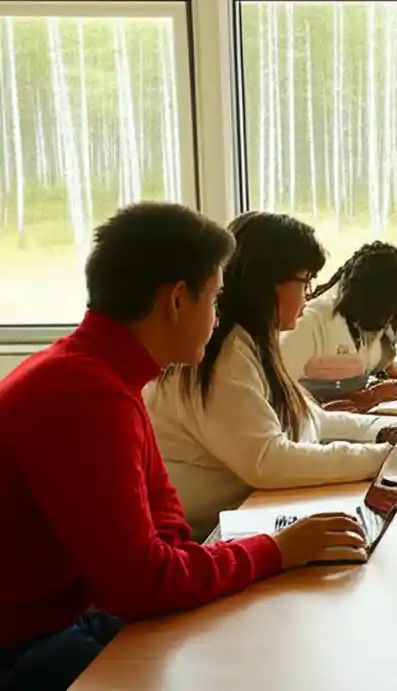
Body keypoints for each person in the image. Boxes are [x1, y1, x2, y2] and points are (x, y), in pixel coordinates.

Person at [0, 203, 365, 691]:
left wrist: (267, 554)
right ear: (176, 300)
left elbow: (166, 525)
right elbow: (140, 585)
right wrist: (277, 551)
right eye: (214, 300)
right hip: (24, 646)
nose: (218, 318)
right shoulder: (85, 395)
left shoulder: (110, 375)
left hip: (67, 618)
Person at [145, 212, 397, 541]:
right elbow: (269, 461)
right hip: (200, 541)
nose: (309, 294)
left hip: (239, 521)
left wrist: (390, 434)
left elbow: (312, 421)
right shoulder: (222, 356)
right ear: (266, 282)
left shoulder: (252, 342)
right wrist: (382, 458)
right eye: (305, 280)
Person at [280, 241, 397, 413]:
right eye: (386, 314)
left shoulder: (374, 325)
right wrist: (367, 397)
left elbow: (375, 359)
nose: (386, 324)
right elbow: (276, 394)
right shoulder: (310, 323)